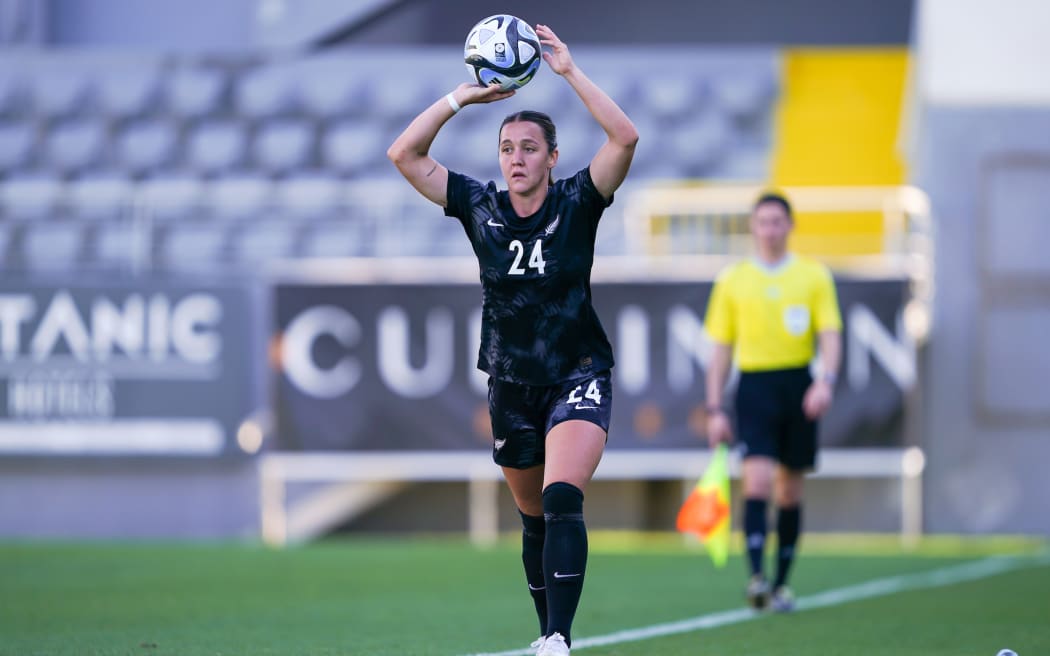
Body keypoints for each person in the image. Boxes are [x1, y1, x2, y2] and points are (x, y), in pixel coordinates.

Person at [387, 23, 638, 656]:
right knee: (531, 517)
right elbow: (404, 156)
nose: (517, 158)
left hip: (579, 371)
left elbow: (625, 137)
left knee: (560, 496)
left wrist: (569, 73)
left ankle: (559, 636)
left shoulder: (581, 200)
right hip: (510, 380)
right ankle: (544, 629)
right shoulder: (479, 205)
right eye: (508, 148)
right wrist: (461, 99)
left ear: (553, 157)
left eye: (530, 147)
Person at [703, 191, 843, 613]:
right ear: (753, 227)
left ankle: (781, 583)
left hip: (798, 385)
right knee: (758, 480)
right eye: (762, 221)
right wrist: (714, 408)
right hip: (755, 387)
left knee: (790, 489)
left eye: (777, 221)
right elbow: (721, 348)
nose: (769, 229)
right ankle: (757, 578)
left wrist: (825, 382)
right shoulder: (733, 280)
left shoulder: (814, 276)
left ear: (790, 225)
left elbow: (831, 335)